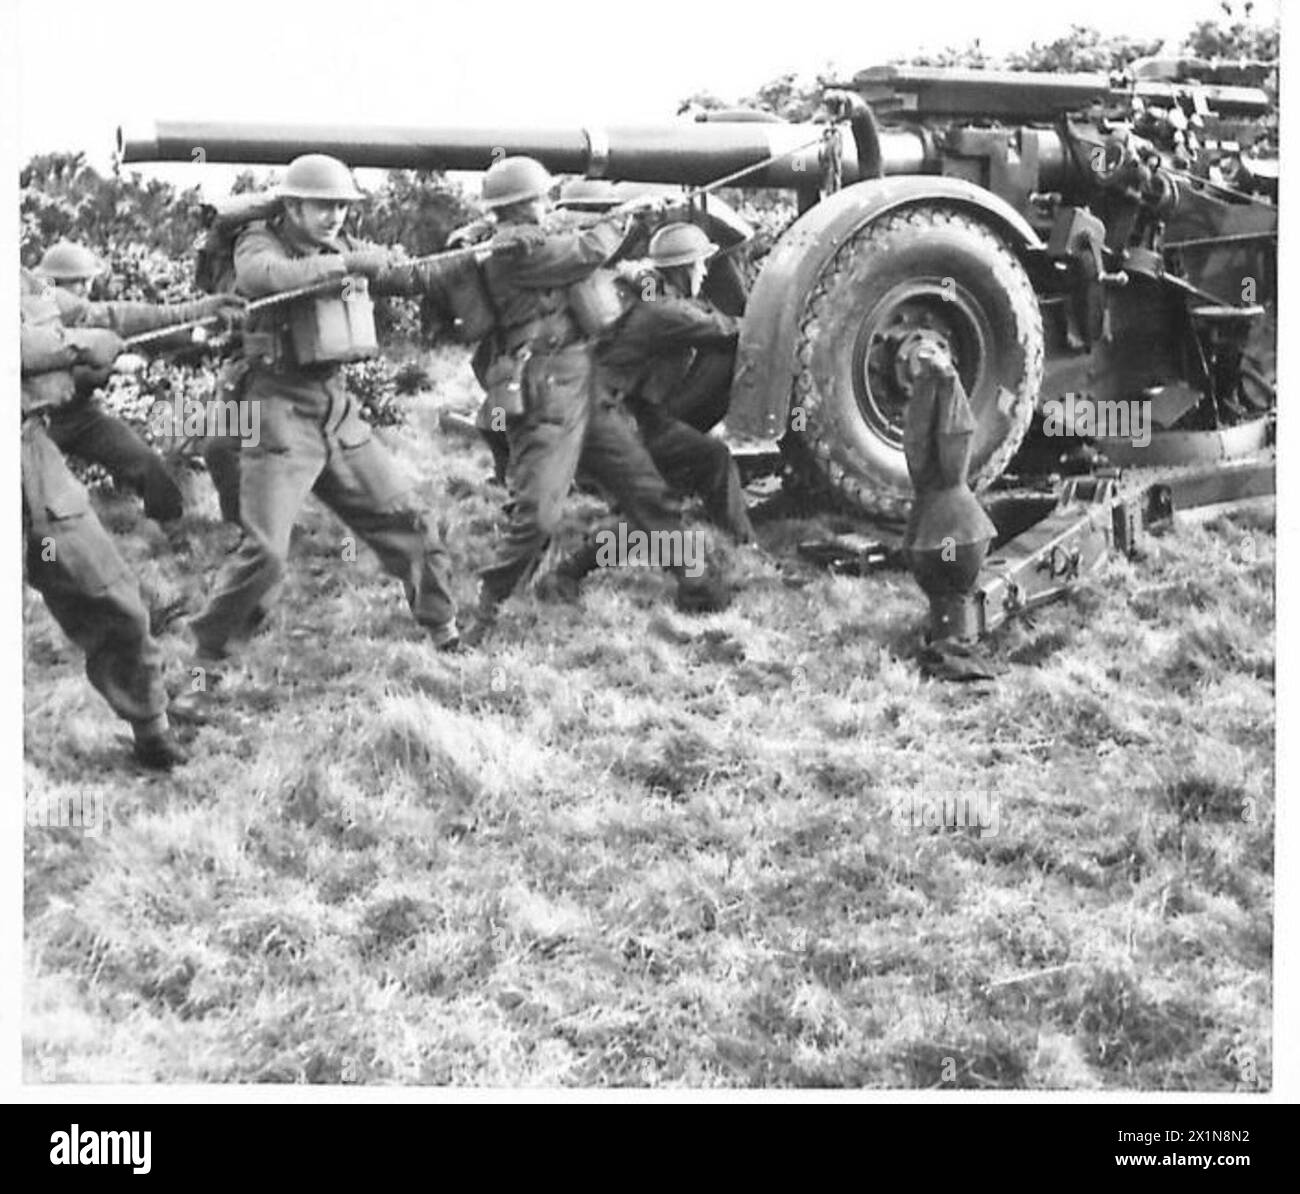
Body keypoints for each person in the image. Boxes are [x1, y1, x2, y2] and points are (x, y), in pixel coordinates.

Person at [188, 153, 466, 665]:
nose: (335, 216)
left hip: (335, 408)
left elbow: (410, 277)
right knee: (266, 551)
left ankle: (444, 628)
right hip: (275, 410)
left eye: (342, 206)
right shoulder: (260, 238)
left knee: (409, 518)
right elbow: (261, 277)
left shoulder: (343, 244)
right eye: (323, 206)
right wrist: (345, 265)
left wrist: (474, 252)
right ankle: (209, 651)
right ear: (292, 206)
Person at [462, 156, 730, 642]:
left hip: (587, 387)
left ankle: (696, 587)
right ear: (518, 209)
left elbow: (583, 245)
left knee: (646, 491)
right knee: (538, 517)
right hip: (544, 399)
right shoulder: (514, 254)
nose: (548, 206)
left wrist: (630, 212)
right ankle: (487, 605)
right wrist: (633, 213)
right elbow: (586, 251)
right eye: (540, 199)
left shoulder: (542, 240)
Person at [20, 268, 245, 768]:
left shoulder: (21, 281)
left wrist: (194, 312)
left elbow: (100, 315)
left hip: (31, 450)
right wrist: (78, 347)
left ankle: (151, 730)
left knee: (109, 591)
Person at [32, 242, 207, 524]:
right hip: (38, 422)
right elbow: (62, 373)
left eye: (87, 282)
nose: (86, 290)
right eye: (79, 283)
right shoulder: (32, 318)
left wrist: (194, 336)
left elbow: (136, 321)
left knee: (146, 464)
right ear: (54, 282)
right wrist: (111, 369)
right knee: (39, 503)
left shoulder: (83, 312)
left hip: (80, 416)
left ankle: (174, 532)